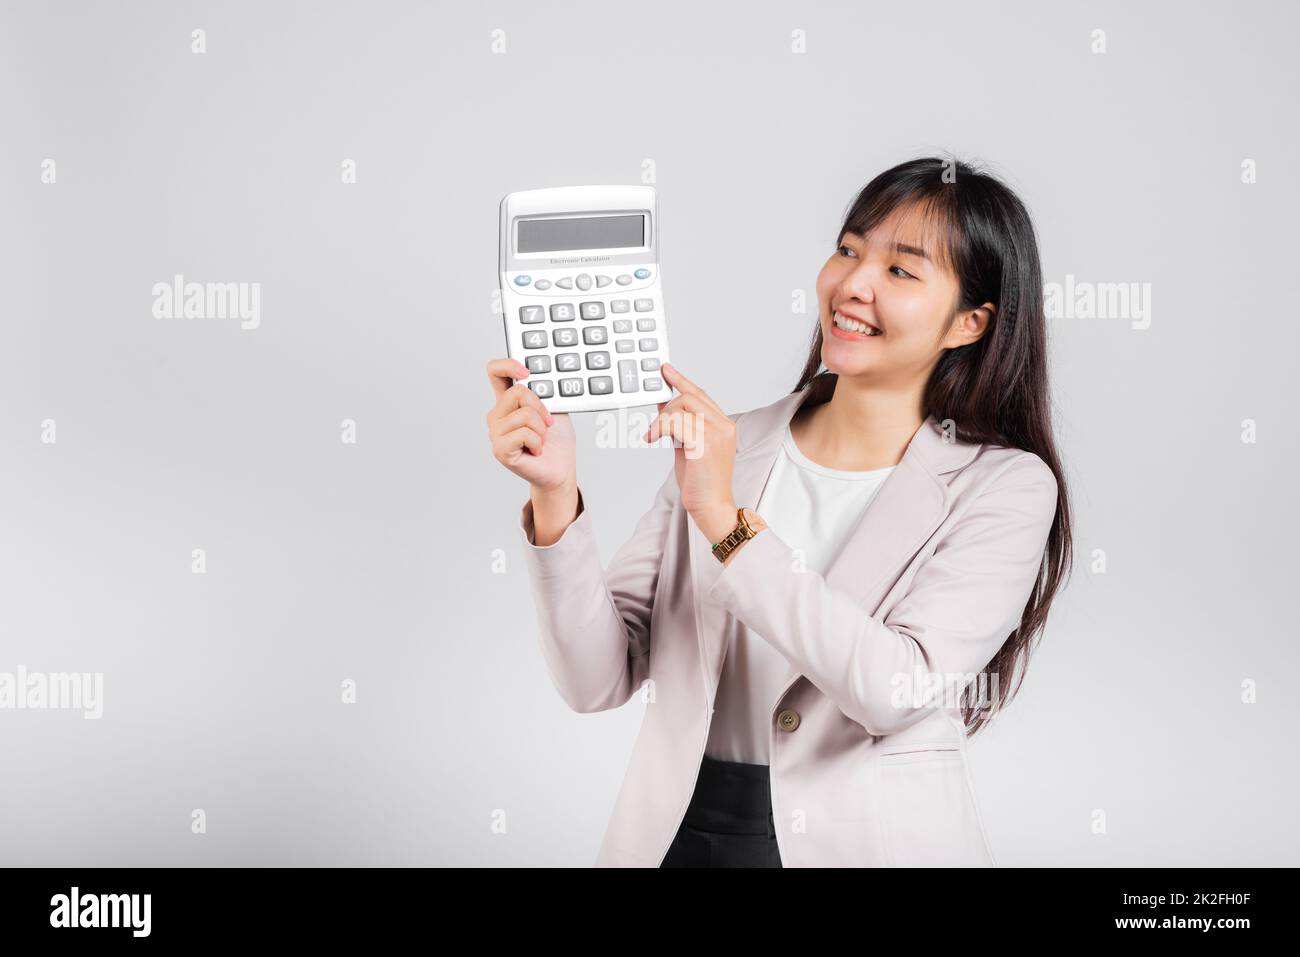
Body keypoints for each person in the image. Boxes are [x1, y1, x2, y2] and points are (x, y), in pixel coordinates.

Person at [484, 155, 1072, 867]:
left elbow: (895, 688)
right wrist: (555, 492)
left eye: (900, 270)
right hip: (678, 829)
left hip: (869, 843)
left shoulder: (1004, 486)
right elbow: (593, 679)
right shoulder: (733, 446)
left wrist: (726, 523)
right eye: (849, 249)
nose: (852, 284)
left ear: (970, 322)